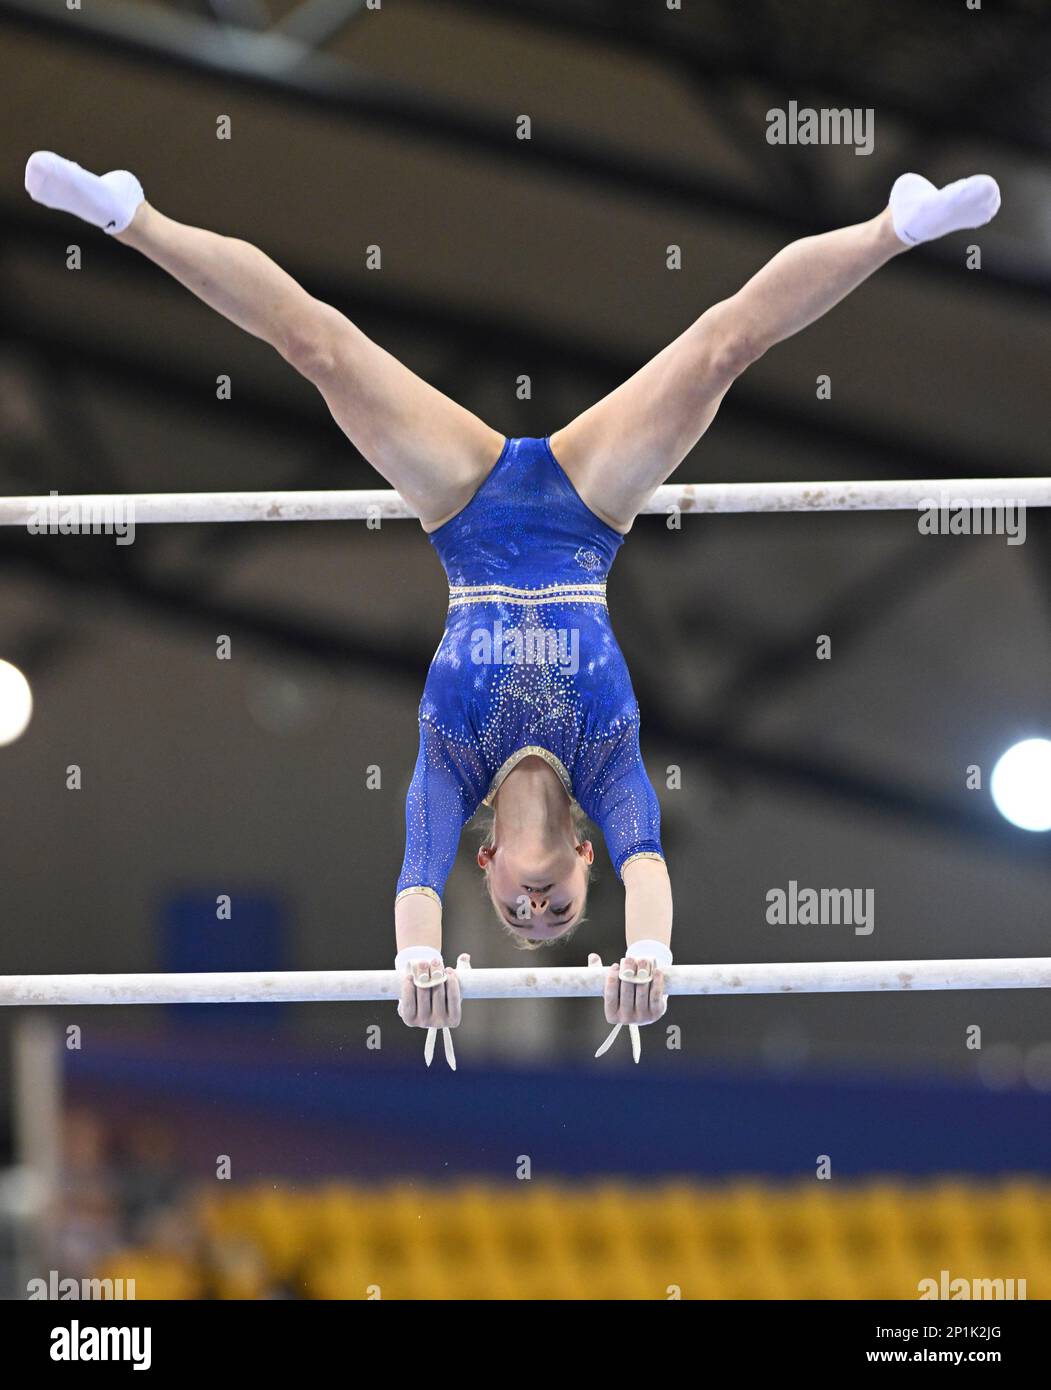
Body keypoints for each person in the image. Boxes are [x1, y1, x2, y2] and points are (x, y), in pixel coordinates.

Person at [25, 152, 1000, 1063]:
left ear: (486, 861)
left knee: (316, 344)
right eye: (560, 912)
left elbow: (412, 878)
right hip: (587, 513)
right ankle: (892, 229)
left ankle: (130, 216)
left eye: (516, 916)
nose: (536, 914)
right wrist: (648, 958)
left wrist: (416, 965)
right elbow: (651, 869)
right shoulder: (607, 762)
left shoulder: (451, 762)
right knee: (719, 349)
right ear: (584, 856)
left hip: (464, 511)